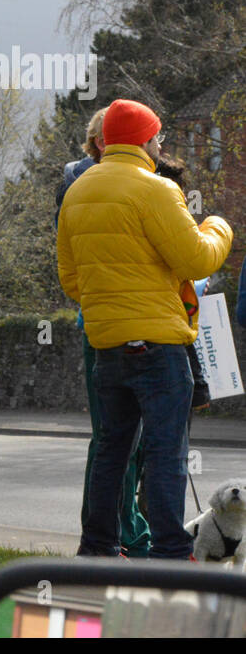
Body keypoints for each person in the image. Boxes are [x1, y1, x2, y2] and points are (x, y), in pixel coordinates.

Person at [58, 98, 232, 559]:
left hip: (107, 345)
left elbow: (70, 279)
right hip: (158, 346)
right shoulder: (155, 188)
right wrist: (219, 227)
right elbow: (196, 258)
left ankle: (96, 546)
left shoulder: (77, 191)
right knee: (165, 453)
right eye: (158, 137)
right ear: (144, 140)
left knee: (111, 451)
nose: (161, 144)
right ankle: (171, 551)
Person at [60, 108, 152, 556]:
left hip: (112, 319)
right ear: (101, 143)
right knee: (117, 440)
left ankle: (112, 534)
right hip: (112, 324)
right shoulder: (82, 182)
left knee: (121, 441)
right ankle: (118, 533)